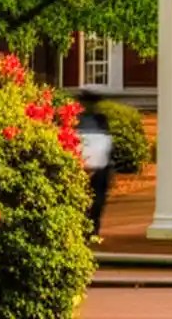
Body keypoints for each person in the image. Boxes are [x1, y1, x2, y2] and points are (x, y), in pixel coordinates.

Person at [77, 88, 113, 242]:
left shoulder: (100, 120)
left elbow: (106, 144)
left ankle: (93, 229)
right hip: (84, 165)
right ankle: (86, 229)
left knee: (97, 200)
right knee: (87, 199)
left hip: (99, 166)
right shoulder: (77, 120)